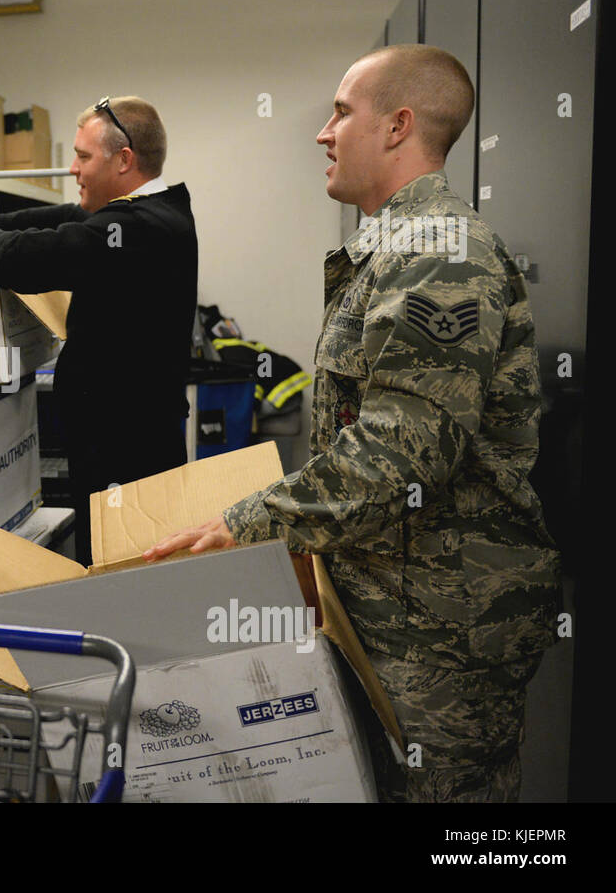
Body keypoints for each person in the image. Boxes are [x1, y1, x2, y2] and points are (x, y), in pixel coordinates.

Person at [143, 45, 560, 802]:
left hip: (444, 631)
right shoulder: (393, 249)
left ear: (398, 126)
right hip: (393, 606)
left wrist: (253, 525)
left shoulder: (443, 253)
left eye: (341, 112)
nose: (323, 132)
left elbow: (403, 448)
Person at [0, 96, 198, 566]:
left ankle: (122, 638)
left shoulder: (142, 228)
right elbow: (65, 218)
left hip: (129, 446)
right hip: (117, 432)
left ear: (124, 160)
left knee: (126, 565)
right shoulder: (144, 212)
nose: (73, 169)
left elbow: (38, 259)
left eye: (84, 157)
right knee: (113, 560)